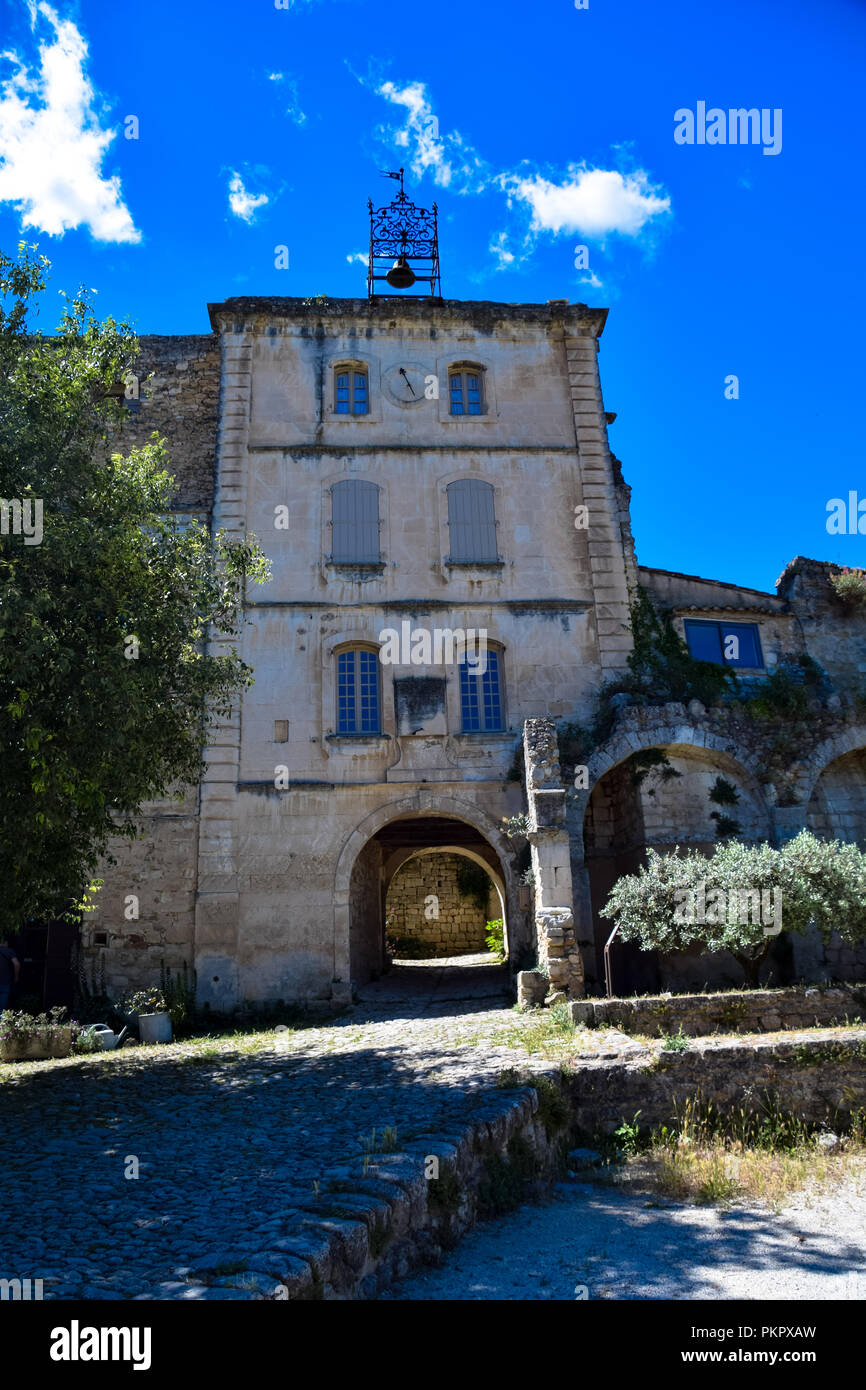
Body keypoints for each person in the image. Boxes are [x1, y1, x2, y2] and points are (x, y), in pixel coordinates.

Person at [0, 943, 20, 1014]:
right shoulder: (9, 951)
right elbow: (16, 964)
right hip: (5, 982)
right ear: (5, 942)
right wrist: (16, 977)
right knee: (2, 1008)